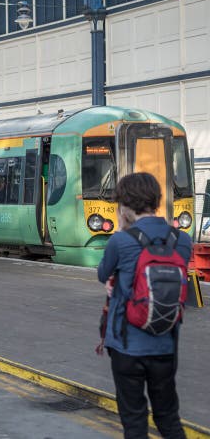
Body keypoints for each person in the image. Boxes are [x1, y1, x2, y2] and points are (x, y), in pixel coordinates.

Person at [97, 172, 191, 439]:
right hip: (166, 343)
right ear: (156, 200)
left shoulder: (121, 240)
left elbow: (104, 274)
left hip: (127, 345)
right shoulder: (181, 240)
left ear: (125, 205)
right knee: (168, 418)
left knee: (134, 419)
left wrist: (120, 228)